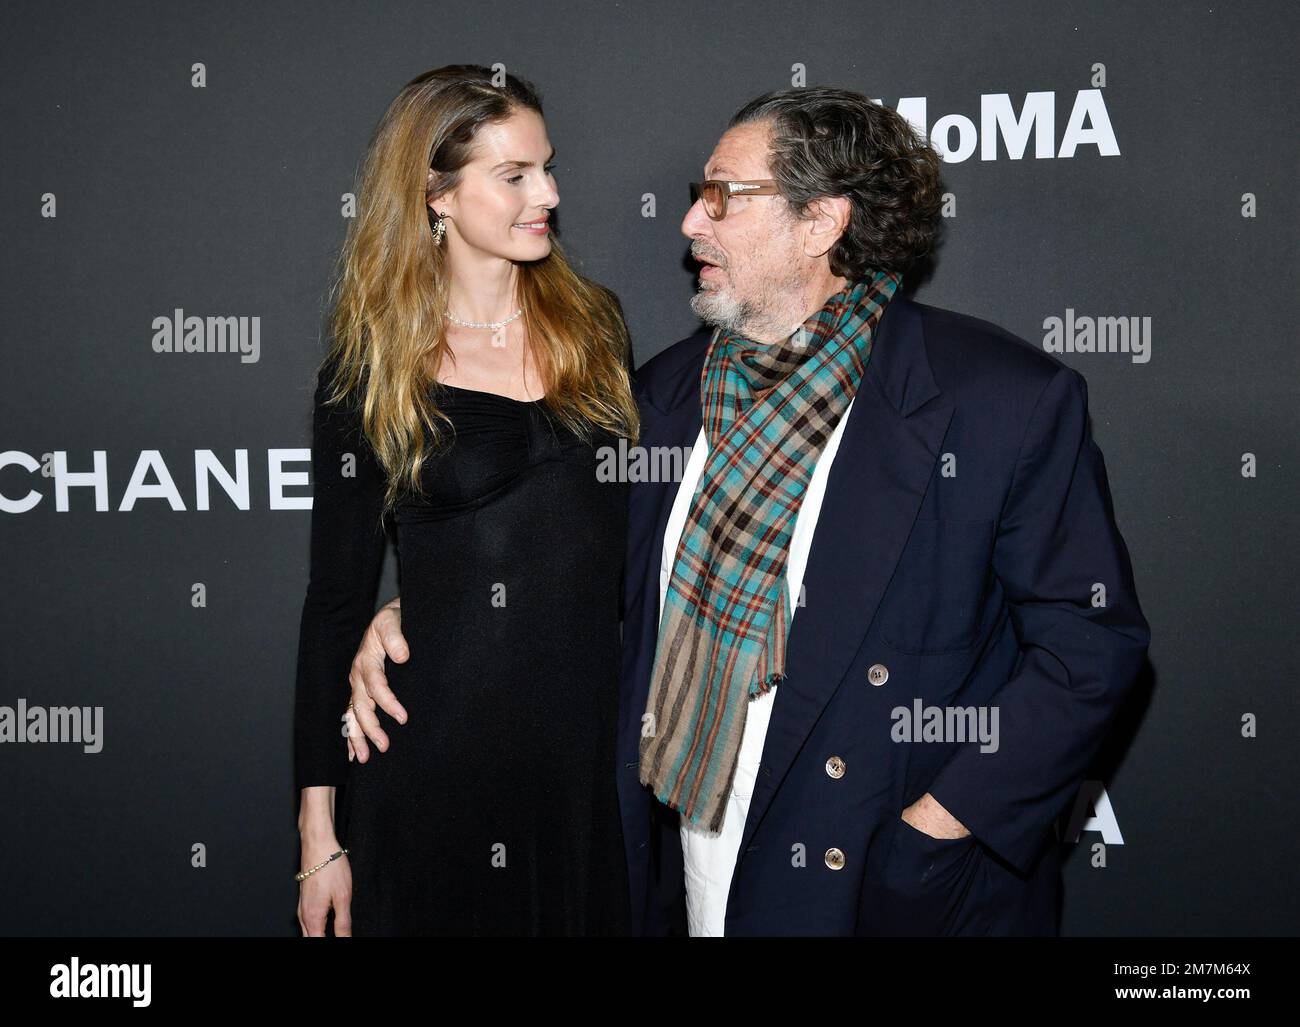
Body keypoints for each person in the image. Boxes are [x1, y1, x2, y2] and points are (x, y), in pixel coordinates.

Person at [345, 86, 1151, 936]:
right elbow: (570, 562)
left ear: (821, 223)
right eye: (700, 194)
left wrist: (943, 820)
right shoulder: (663, 395)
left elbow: (1093, 648)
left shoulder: (995, 401)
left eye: (723, 196)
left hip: (876, 886)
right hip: (687, 871)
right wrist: (426, 603)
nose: (692, 222)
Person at [292, 64, 639, 937]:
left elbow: (611, 530)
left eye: (547, 167)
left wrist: (429, 592)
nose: (549, 193)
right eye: (514, 175)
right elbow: (335, 605)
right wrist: (318, 835)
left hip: (588, 761)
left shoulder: (598, 326)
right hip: (437, 759)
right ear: (435, 194)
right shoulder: (370, 375)